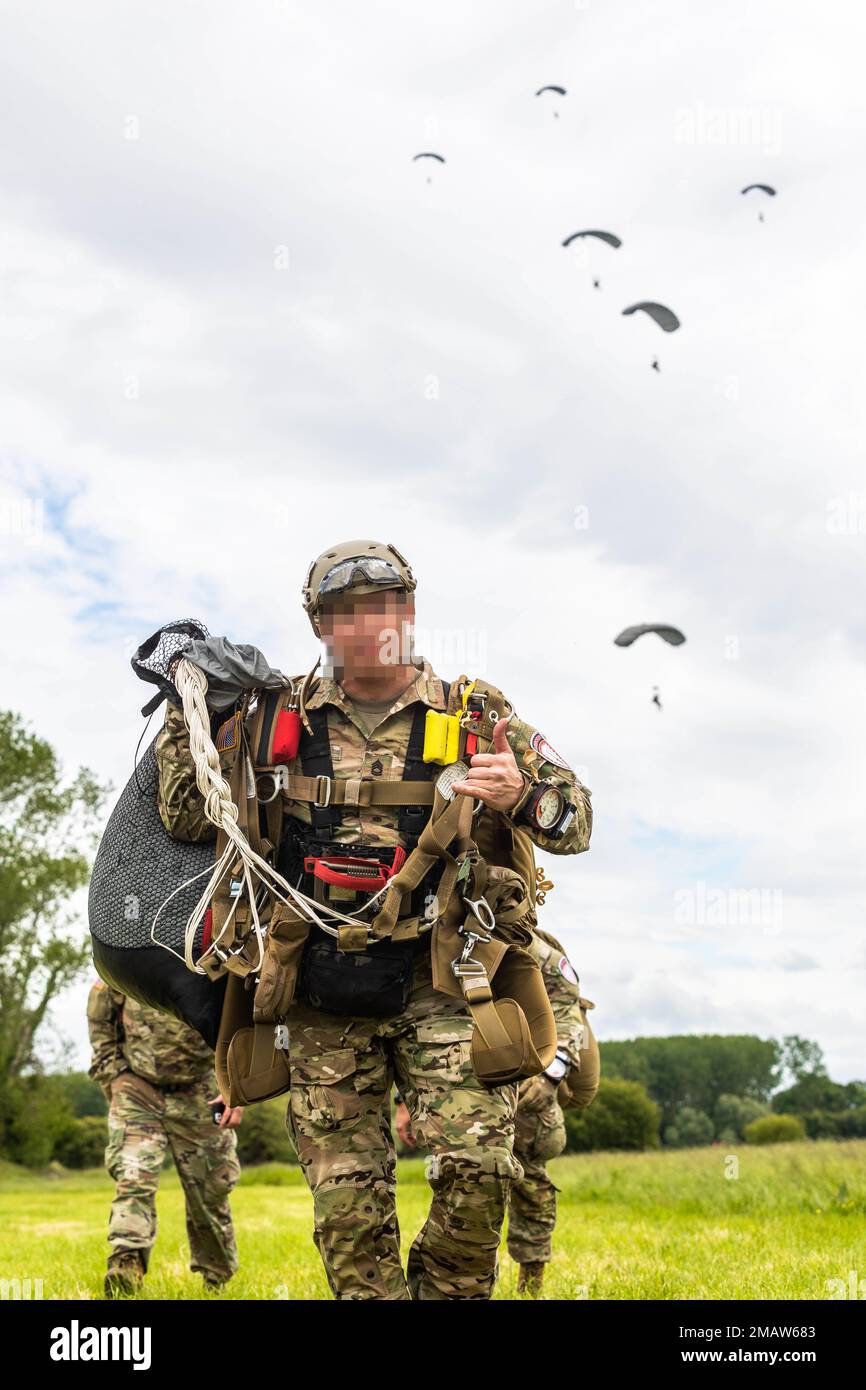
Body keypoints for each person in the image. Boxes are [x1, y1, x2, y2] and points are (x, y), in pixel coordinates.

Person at [155, 539, 593, 1300]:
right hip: (319, 991)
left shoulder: (476, 712)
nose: (366, 625)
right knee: (348, 1217)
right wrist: (186, 708)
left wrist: (521, 793)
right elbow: (188, 819)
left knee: (479, 1164)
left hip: (445, 980)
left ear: (411, 612)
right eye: (345, 611)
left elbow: (576, 821)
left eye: (384, 606)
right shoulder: (271, 716)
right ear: (321, 625)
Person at [396, 924, 600, 1297]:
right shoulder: (449, 935)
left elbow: (567, 1006)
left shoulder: (533, 945)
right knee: (466, 1171)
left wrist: (553, 1075)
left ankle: (531, 1276)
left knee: (531, 1179)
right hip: (477, 1071)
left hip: (535, 1077)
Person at [87, 981, 243, 1297]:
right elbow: (101, 1023)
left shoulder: (213, 954)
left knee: (210, 1188)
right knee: (133, 1176)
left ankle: (216, 1277)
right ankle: (126, 1263)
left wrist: (236, 1088)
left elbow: (241, 1021)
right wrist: (115, 1076)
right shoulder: (126, 960)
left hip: (203, 1089)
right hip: (138, 1086)